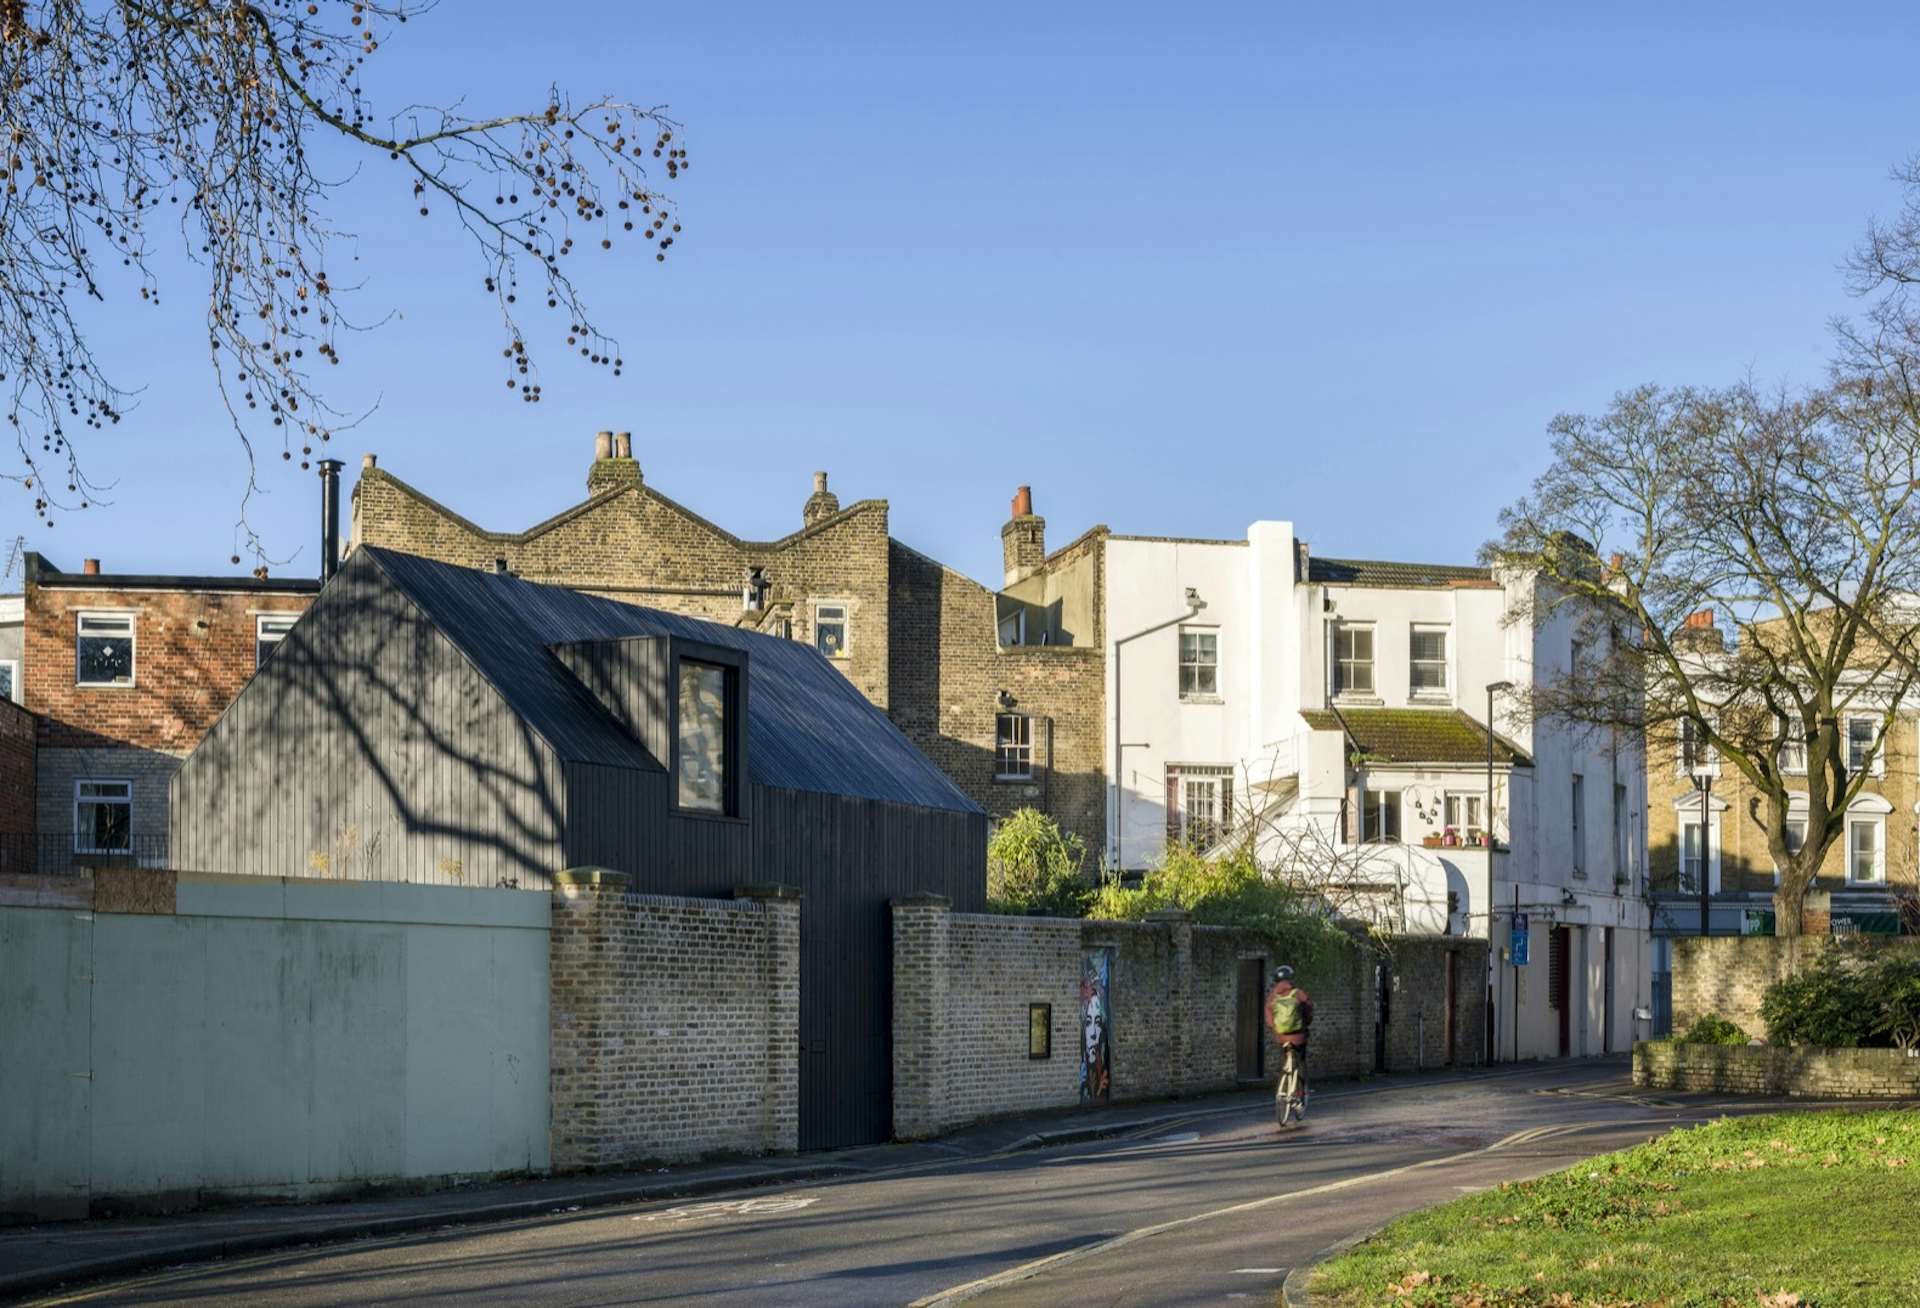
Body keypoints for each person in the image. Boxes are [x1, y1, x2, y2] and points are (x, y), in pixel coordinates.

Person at [1266, 965, 1313, 1123]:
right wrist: (1304, 1025)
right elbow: (1308, 1013)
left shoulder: (1273, 996)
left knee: (1286, 1059)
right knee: (1300, 1065)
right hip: (1298, 1037)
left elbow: (1269, 1018)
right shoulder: (1298, 993)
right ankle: (1298, 1097)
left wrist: (1278, 1029)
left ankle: (1283, 1086)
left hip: (1281, 1037)